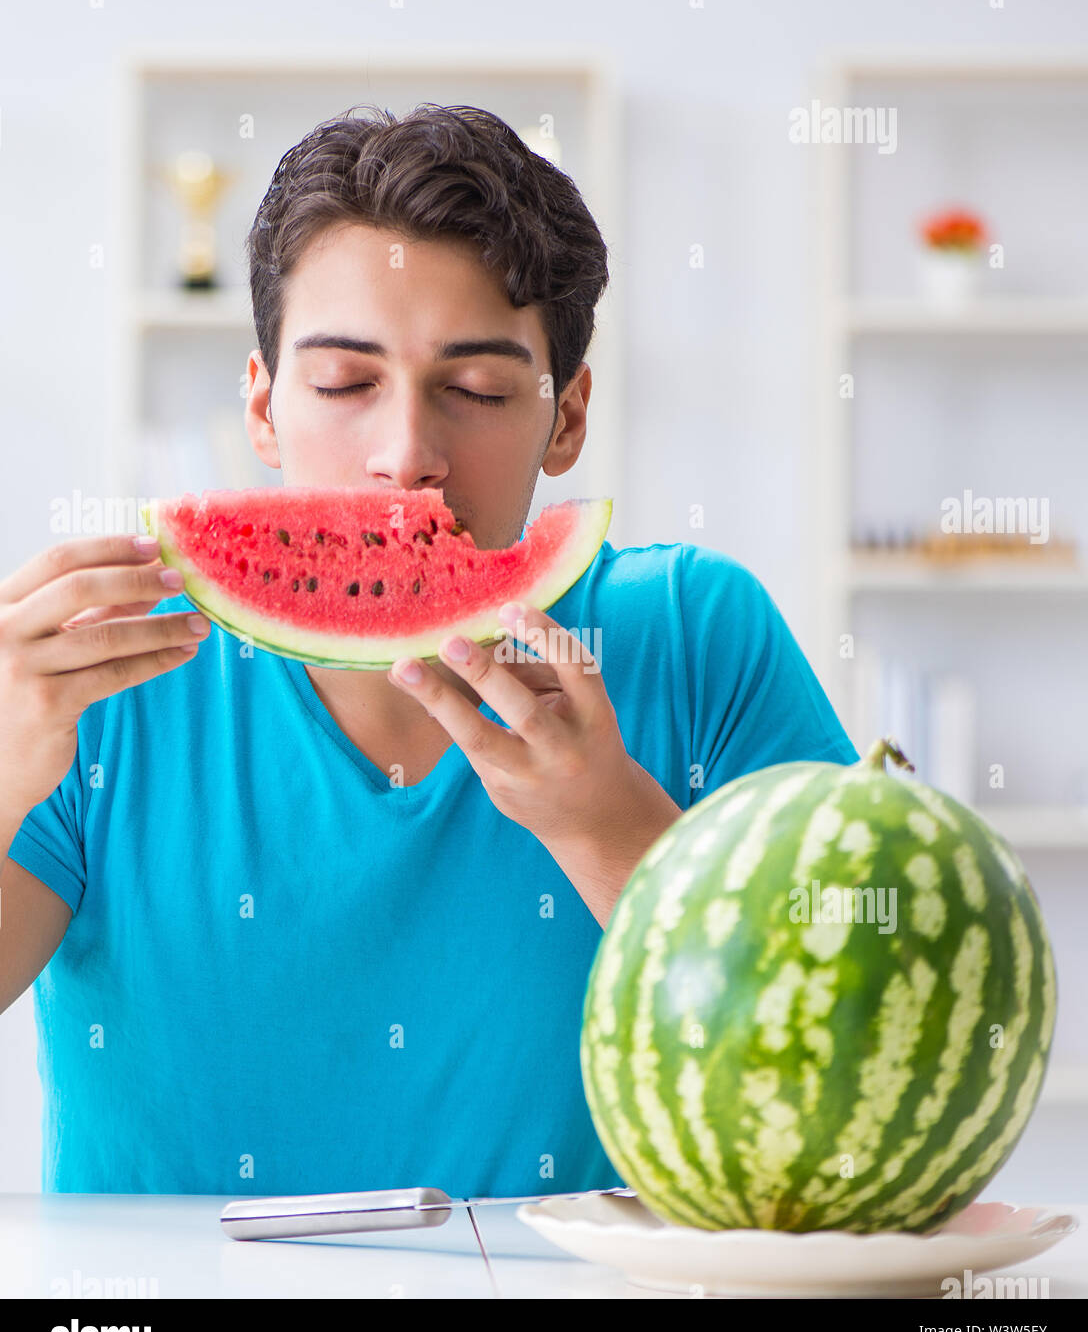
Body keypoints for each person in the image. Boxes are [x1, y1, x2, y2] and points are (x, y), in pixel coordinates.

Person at [0, 104, 857, 1197]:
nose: (405, 455)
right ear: (260, 409)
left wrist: (610, 830)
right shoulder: (96, 679)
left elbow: (846, 1082)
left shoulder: (695, 639)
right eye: (345, 384)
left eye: (478, 390)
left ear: (566, 417)